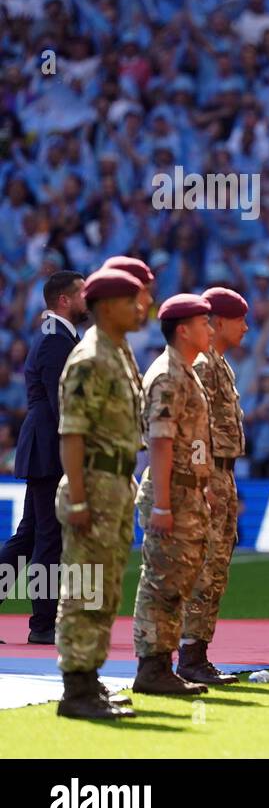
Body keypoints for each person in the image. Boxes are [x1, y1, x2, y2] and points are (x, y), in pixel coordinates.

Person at [53, 267, 145, 720]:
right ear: (107, 306)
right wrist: (80, 498)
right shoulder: (91, 356)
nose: (142, 307)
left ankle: (90, 677)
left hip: (115, 483)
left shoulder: (118, 351)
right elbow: (71, 433)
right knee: (85, 587)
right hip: (93, 482)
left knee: (105, 588)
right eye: (133, 300)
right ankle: (76, 688)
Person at [131, 293, 217, 696]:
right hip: (172, 493)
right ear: (183, 329)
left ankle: (162, 664)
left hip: (187, 491)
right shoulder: (168, 373)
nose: (210, 330)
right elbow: (160, 442)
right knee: (162, 581)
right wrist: (163, 503)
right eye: (204, 323)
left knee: (178, 581)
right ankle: (152, 667)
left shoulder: (186, 370)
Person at [2, 270, 86, 643]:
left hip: (44, 446)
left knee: (32, 535)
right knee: (47, 538)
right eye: (82, 293)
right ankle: (42, 624)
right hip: (50, 448)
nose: (89, 299)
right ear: (64, 300)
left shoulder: (58, 337)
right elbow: (62, 405)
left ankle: (44, 621)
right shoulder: (56, 341)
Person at [177, 288, 250, 686]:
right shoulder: (204, 365)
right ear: (218, 321)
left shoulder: (219, 364)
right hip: (209, 474)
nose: (247, 327)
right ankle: (189, 654)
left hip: (223, 473)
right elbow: (193, 429)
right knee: (204, 567)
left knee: (217, 566)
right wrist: (202, 480)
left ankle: (197, 652)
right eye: (240, 319)